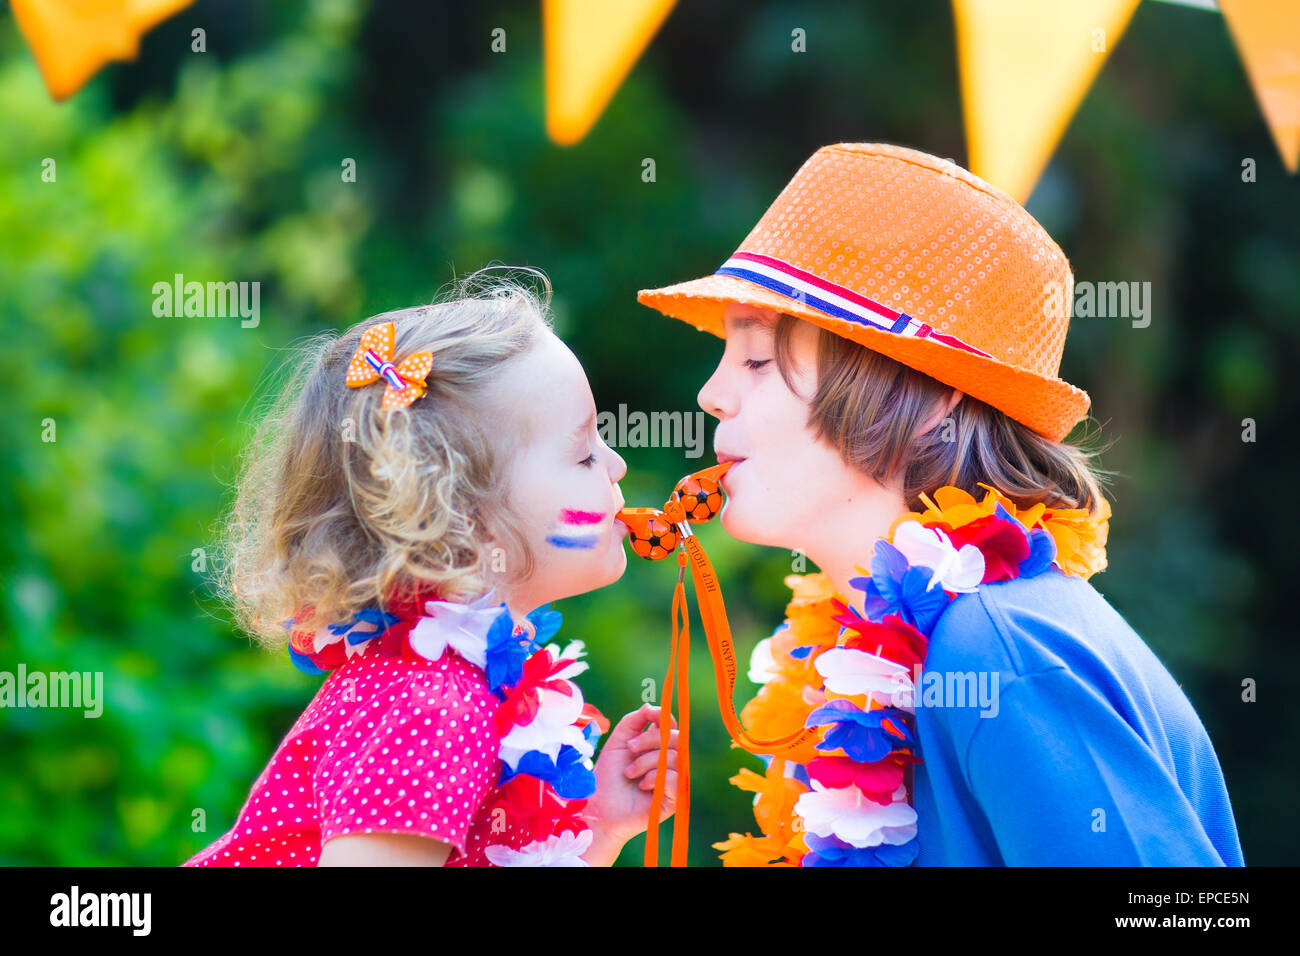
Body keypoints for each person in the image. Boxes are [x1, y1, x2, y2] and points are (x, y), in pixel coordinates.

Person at [636, 142, 1244, 866]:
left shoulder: (999, 648)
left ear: (926, 400)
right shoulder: (863, 663)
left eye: (758, 358)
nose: (711, 393)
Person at [184, 270, 676, 867]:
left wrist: (599, 828)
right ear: (462, 513)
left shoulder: (456, 691)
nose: (616, 465)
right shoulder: (430, 708)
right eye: (582, 453)